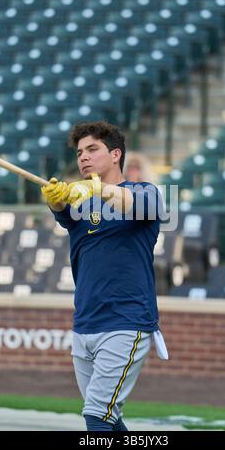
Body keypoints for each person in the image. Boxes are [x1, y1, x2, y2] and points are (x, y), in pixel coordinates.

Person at [41, 121, 168, 432]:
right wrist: (56, 200)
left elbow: (143, 207)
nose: (83, 157)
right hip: (85, 323)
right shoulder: (81, 203)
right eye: (80, 152)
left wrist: (98, 189)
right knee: (107, 418)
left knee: (96, 416)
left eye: (92, 149)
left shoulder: (144, 192)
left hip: (126, 321)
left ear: (115, 154)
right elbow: (63, 212)